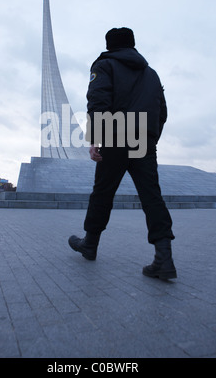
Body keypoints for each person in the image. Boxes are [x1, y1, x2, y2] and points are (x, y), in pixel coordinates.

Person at [68, 28, 176, 280]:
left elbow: (98, 102)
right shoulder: (151, 73)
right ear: (132, 44)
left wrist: (96, 138)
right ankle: (164, 257)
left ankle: (90, 244)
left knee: (103, 192)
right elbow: (162, 112)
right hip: (143, 141)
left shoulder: (105, 65)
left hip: (115, 136)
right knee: (152, 197)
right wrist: (150, 138)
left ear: (110, 45)